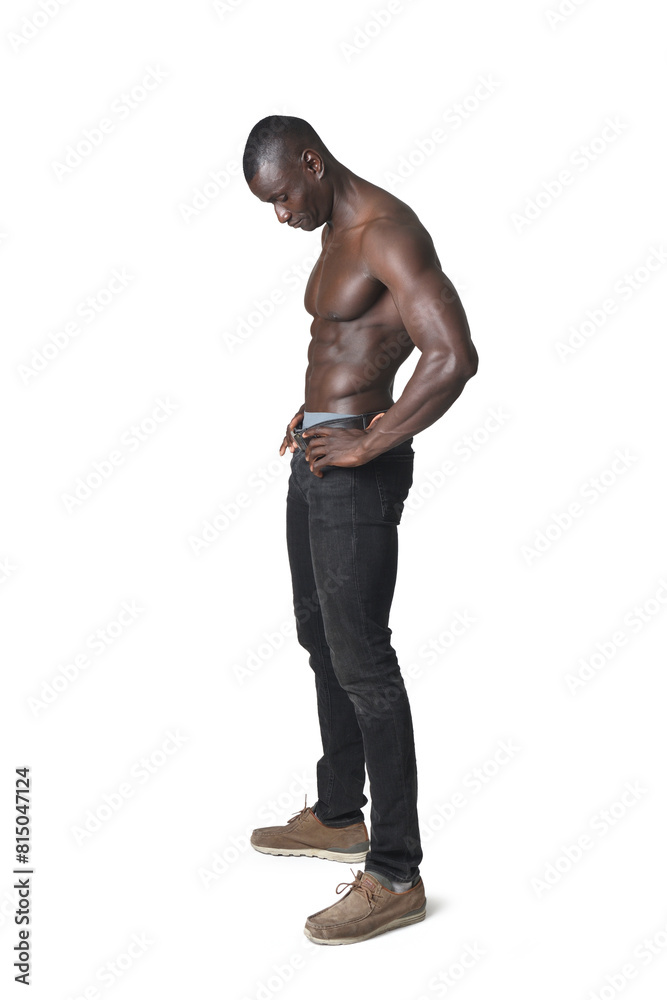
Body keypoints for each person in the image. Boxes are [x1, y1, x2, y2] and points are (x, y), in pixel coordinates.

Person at [243, 115, 478, 945]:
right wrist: (313, 412)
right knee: (318, 638)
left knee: (363, 660)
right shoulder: (331, 227)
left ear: (312, 161)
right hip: (317, 457)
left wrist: (370, 436)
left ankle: (394, 872)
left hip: (359, 472)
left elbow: (450, 354)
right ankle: (341, 810)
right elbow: (355, 342)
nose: (279, 216)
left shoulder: (388, 230)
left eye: (281, 198)